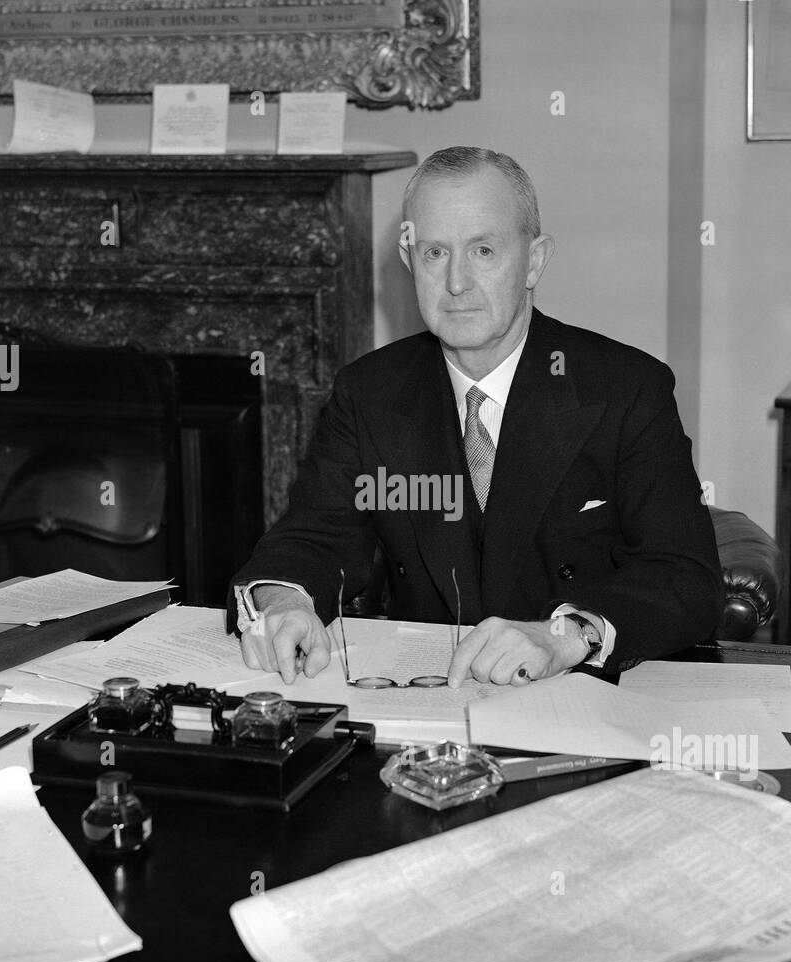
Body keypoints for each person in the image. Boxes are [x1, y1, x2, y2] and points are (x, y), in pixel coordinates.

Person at [228, 146, 723, 687]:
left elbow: (687, 578)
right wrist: (282, 601)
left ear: (534, 260)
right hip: (428, 707)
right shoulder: (369, 391)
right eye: (435, 253)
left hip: (579, 699)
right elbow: (313, 538)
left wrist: (564, 634)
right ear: (408, 257)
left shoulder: (626, 389)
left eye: (483, 251)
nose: (456, 283)